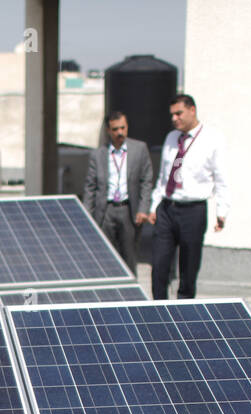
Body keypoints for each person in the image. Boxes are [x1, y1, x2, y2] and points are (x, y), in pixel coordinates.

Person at [149, 94, 229, 299]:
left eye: (179, 113)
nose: (174, 118)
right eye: (172, 115)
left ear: (192, 110)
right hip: (167, 209)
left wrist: (222, 211)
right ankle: (158, 312)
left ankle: (183, 315)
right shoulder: (171, 138)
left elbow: (221, 178)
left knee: (188, 270)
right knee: (159, 267)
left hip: (193, 211)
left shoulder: (212, 139)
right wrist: (154, 205)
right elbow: (163, 176)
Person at [82, 111, 153, 275]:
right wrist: (87, 215)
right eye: (115, 129)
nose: (120, 133)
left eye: (123, 128)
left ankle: (130, 296)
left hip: (129, 210)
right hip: (105, 211)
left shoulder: (139, 149)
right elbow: (90, 187)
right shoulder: (98, 155)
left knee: (129, 257)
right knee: (106, 257)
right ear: (108, 131)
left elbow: (146, 181)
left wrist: (143, 209)